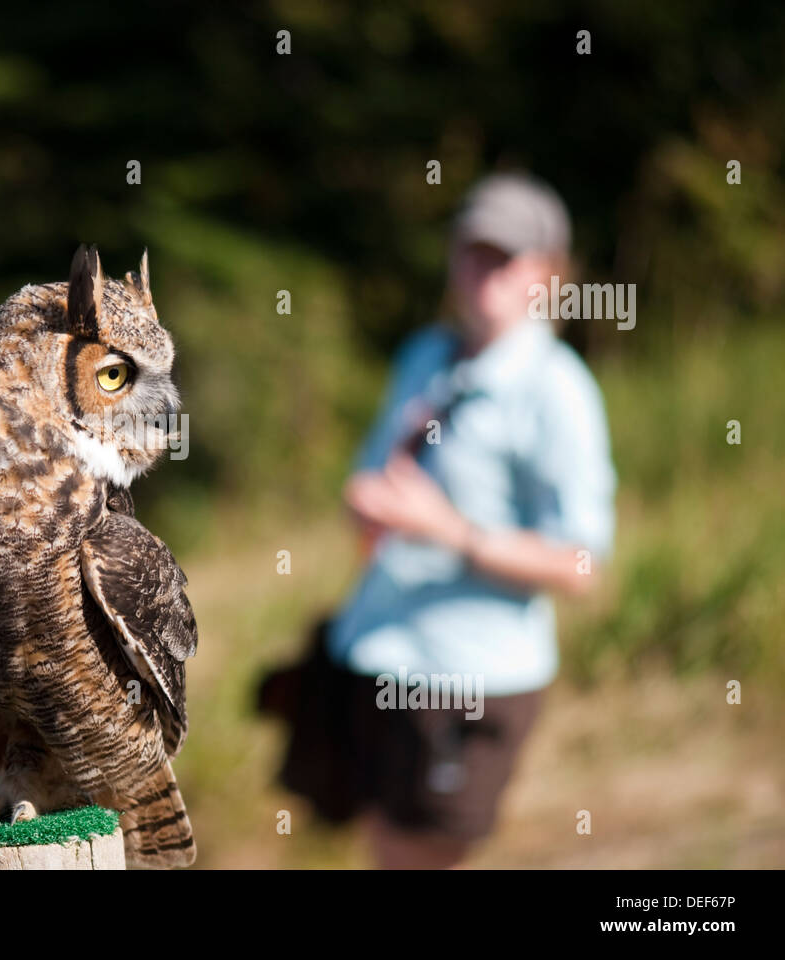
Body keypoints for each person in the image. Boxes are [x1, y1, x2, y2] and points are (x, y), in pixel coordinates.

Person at [262, 172, 617, 868]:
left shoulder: (558, 389)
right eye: (473, 251)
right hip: (375, 652)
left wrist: (451, 531)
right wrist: (367, 504)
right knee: (380, 845)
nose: (485, 272)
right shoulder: (425, 355)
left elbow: (582, 568)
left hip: (469, 682)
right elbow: (374, 484)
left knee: (414, 856)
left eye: (506, 257)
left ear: (548, 274)